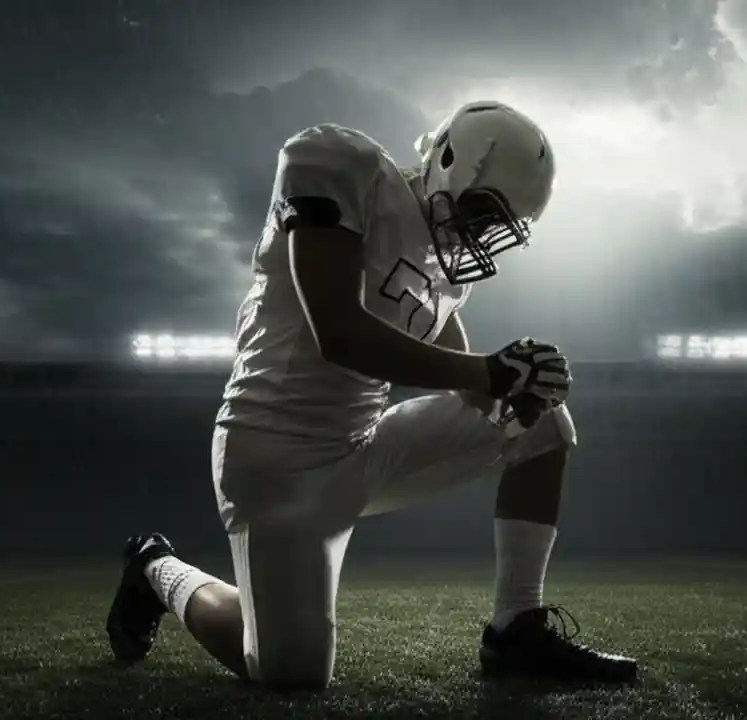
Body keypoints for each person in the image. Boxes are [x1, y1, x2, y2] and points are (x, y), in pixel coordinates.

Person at [105, 101, 638, 689]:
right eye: (481, 213)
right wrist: (491, 372)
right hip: (276, 460)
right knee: (288, 672)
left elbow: (468, 384)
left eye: (495, 226)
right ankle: (156, 568)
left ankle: (516, 631)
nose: (478, 234)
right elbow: (337, 332)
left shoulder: (445, 272)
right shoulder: (342, 164)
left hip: (362, 449)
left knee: (544, 427)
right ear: (449, 163)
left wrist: (519, 390)